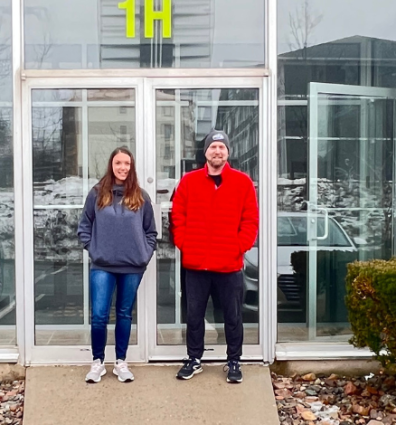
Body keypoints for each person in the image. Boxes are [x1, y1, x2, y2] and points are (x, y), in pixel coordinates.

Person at [170, 130, 259, 384]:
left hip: (229, 265)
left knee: (232, 316)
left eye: (222, 147)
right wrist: (185, 245)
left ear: (227, 152)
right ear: (206, 152)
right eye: (213, 147)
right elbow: (177, 216)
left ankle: (234, 360)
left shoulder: (242, 182)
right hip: (196, 265)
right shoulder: (189, 181)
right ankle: (194, 358)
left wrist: (238, 247)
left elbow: (250, 220)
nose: (217, 151)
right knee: (194, 315)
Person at [77, 147, 157, 383]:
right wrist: (94, 249)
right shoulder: (97, 194)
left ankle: (121, 362)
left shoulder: (141, 196)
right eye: (118, 163)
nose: (122, 167)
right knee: (99, 315)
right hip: (103, 265)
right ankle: (98, 362)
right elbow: (84, 226)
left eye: (126, 164)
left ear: (131, 167)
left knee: (124, 313)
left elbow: (151, 231)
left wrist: (144, 255)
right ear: (111, 165)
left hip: (132, 267)